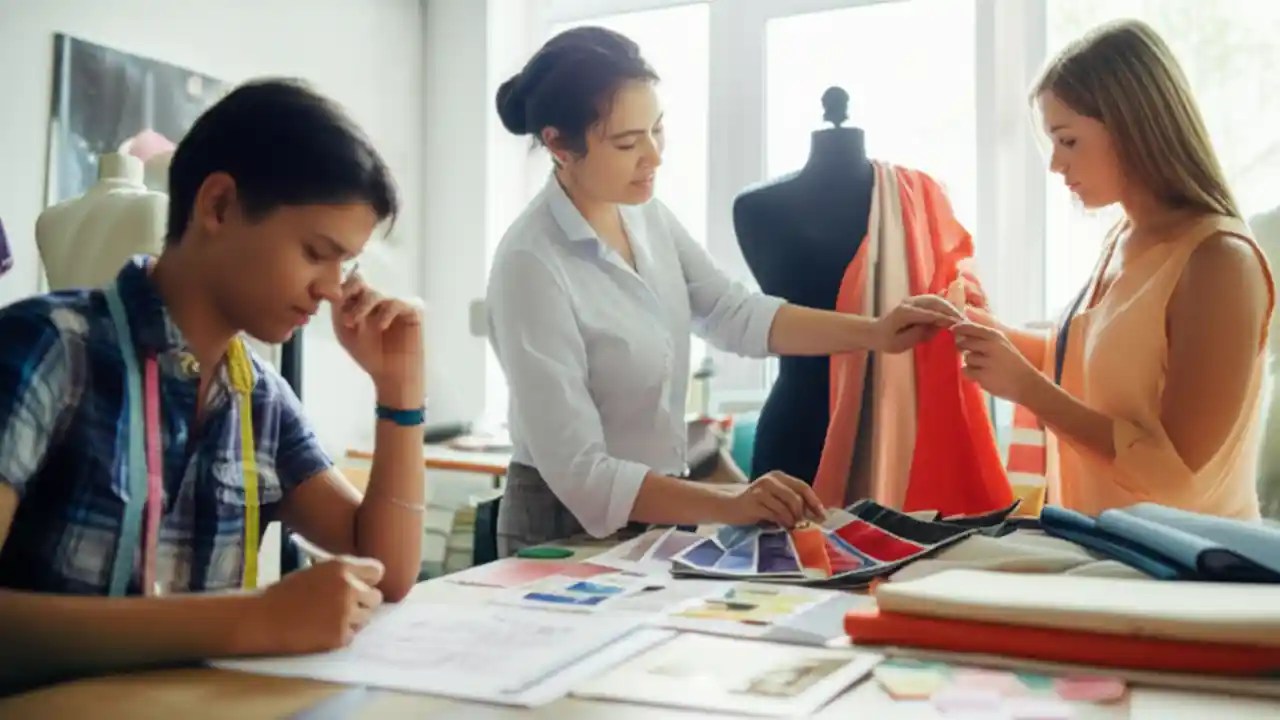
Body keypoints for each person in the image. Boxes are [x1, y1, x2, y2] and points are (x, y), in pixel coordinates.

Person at [0, 79, 427, 691]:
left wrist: (399, 390)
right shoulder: (48, 348)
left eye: (345, 265)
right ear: (219, 206)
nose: (333, 289)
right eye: (315, 252)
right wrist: (249, 619)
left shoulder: (258, 395)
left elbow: (386, 570)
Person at [486, 27, 964, 556]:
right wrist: (732, 502)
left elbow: (730, 312)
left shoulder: (644, 214)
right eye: (627, 142)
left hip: (657, 516)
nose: (654, 156)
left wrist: (875, 332)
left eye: (657, 131)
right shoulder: (531, 262)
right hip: (561, 525)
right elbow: (582, 474)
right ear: (558, 144)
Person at [954, 20, 1274, 520]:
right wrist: (976, 330)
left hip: (1195, 575)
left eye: (1068, 140)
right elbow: (1086, 361)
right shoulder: (1122, 239)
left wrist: (1025, 389)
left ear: (1133, 127)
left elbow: (1175, 475)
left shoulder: (1219, 263)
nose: (1055, 165)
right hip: (1107, 556)